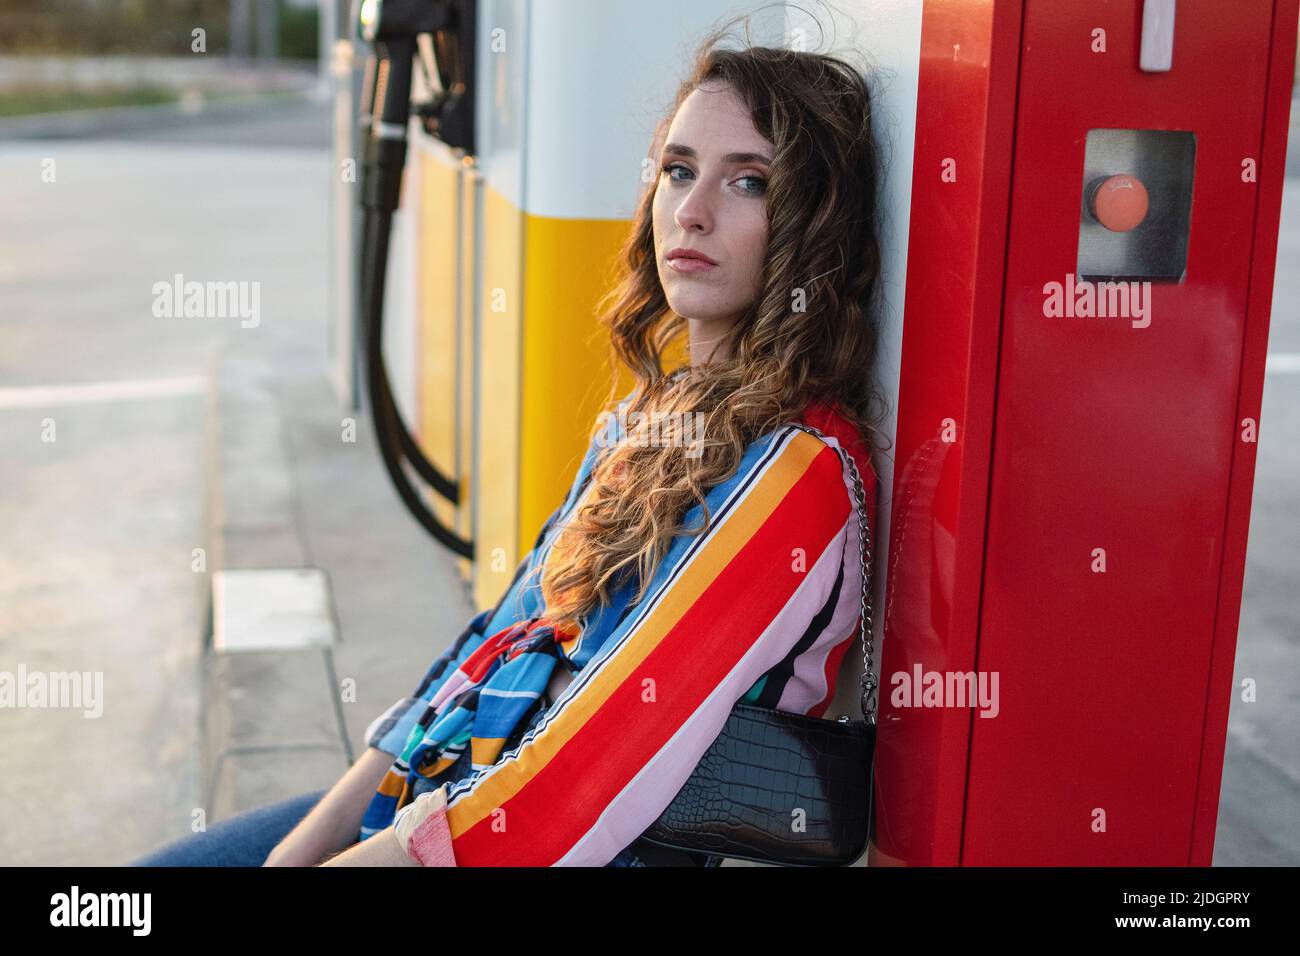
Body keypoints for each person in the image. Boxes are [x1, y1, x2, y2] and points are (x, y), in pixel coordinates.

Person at [130, 20, 888, 868]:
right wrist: (312, 840)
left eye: (747, 182)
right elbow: (509, 627)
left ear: (811, 226)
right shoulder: (651, 416)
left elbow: (575, 784)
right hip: (451, 783)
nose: (693, 210)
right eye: (678, 171)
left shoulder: (798, 473)